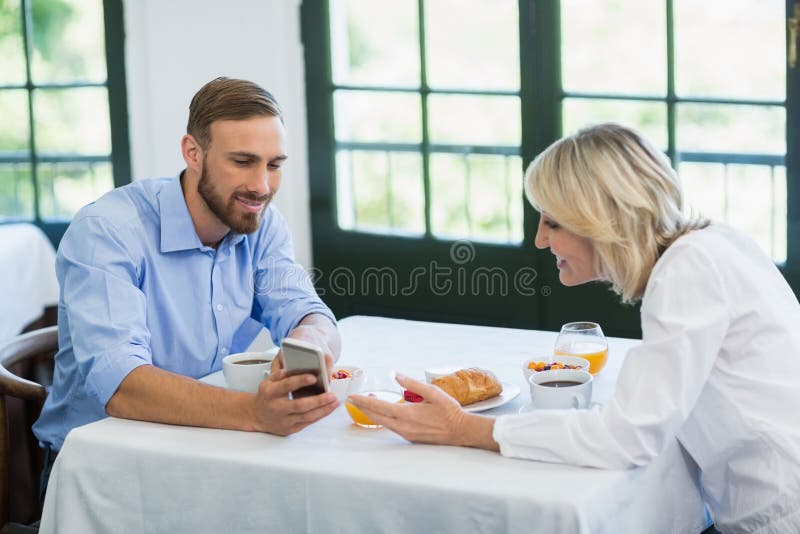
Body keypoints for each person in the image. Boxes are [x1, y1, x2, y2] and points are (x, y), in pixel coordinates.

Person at [348, 123, 800, 532]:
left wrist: (466, 429)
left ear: (604, 218)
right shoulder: (714, 242)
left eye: (553, 222)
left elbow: (629, 437)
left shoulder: (687, 271)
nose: (540, 239)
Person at [34, 77, 341, 470]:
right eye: (242, 162)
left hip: (204, 445)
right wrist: (253, 413)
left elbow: (305, 310)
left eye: (274, 165)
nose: (262, 186)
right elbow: (121, 386)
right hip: (101, 463)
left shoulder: (262, 223)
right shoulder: (107, 231)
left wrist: (310, 341)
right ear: (193, 153)